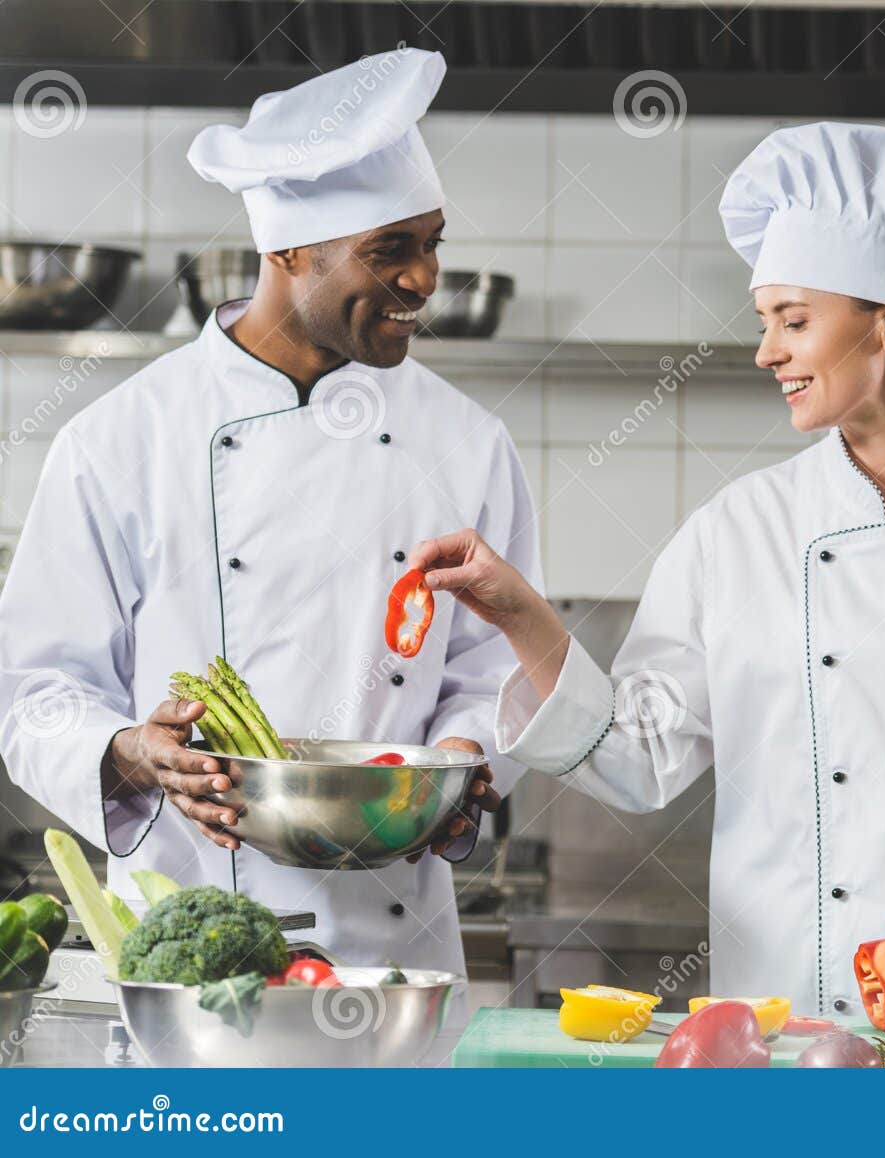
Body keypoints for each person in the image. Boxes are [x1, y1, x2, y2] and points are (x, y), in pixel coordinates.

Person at [406, 122, 885, 1016]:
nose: (766, 351)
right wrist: (522, 616)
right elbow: (640, 756)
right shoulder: (741, 528)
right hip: (784, 1000)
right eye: (765, 323)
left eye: (794, 320)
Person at [0, 49, 536, 973]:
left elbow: (499, 668)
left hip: (394, 941)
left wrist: (459, 758)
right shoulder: (119, 438)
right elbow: (34, 694)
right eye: (391, 250)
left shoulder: (467, 442)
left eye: (432, 241)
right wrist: (129, 751)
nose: (424, 279)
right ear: (289, 250)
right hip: (188, 924)